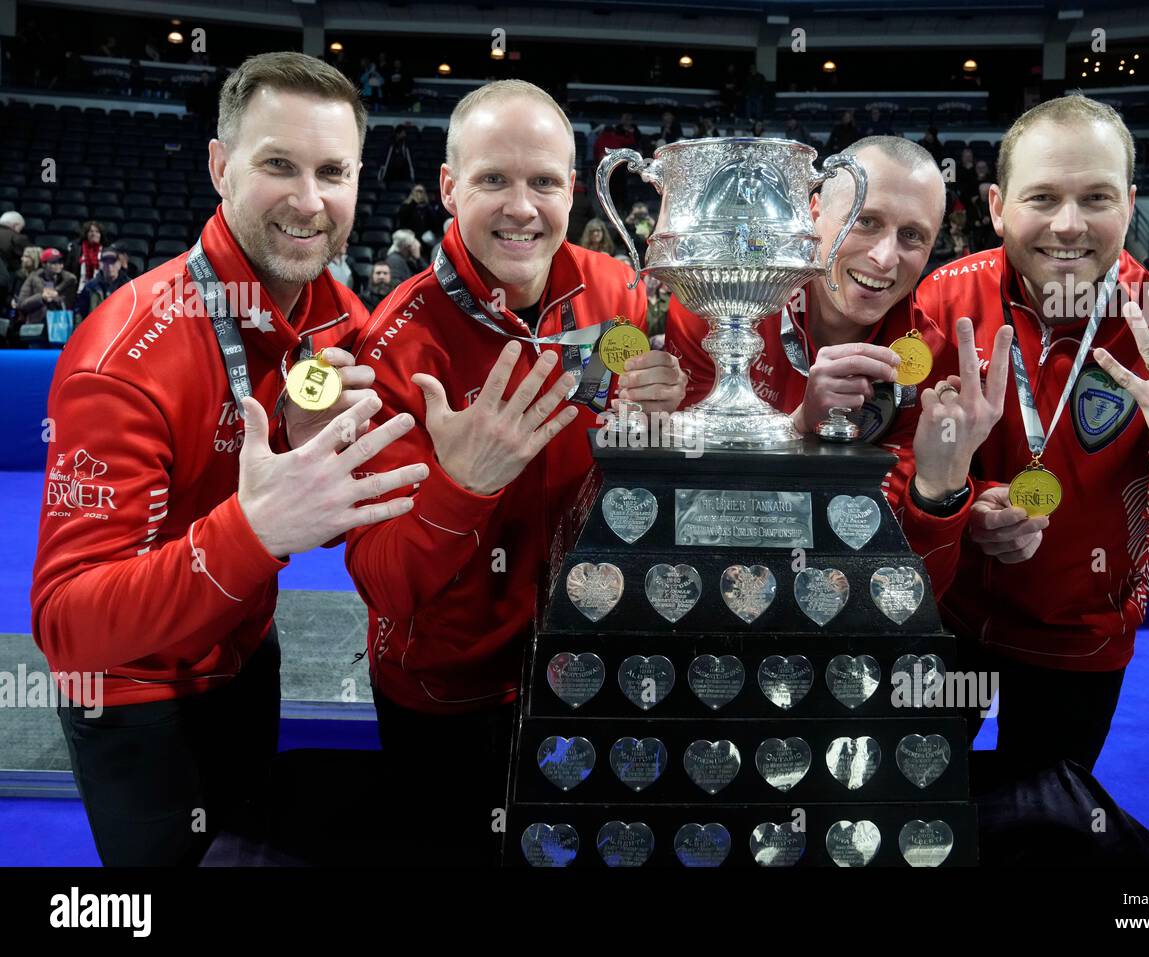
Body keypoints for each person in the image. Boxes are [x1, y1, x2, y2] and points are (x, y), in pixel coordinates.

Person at [29, 51, 428, 867]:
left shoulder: (335, 319)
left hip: (248, 656)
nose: (309, 201)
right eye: (278, 164)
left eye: (333, 171)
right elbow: (68, 627)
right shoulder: (125, 354)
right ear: (220, 166)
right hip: (136, 698)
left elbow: (335, 518)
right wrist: (254, 529)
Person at [342, 79, 688, 866]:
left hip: (590, 670)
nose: (521, 207)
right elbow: (384, 585)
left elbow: (656, 482)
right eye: (494, 179)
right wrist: (461, 486)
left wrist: (669, 421)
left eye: (543, 182)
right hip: (448, 698)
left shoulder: (625, 293)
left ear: (574, 186)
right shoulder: (396, 342)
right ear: (448, 186)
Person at [915, 94, 1149, 774]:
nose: (1069, 225)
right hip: (941, 626)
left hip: (1080, 648)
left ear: (1129, 202)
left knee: (1045, 830)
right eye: (1042, 198)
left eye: (1095, 197)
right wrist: (959, 504)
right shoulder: (940, 302)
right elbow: (890, 463)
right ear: (998, 206)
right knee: (907, 807)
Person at [665, 135, 1013, 597]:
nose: (885, 258)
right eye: (865, 222)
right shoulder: (717, 309)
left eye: (912, 235)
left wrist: (944, 490)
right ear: (812, 214)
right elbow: (688, 511)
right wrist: (798, 429)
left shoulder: (933, 362)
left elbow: (912, 585)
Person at [16, 248, 77, 332]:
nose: (58, 265)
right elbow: (21, 304)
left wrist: (55, 297)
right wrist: (41, 298)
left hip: (59, 326)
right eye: (53, 262)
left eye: (60, 262)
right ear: (44, 264)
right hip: (36, 327)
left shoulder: (69, 280)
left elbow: (70, 304)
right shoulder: (33, 278)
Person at [74, 247, 128, 324]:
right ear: (100, 265)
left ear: (119, 264)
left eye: (113, 262)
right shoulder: (90, 287)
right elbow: (79, 313)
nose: (109, 266)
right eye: (106, 262)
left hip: (121, 328)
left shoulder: (129, 286)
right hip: (97, 328)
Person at [395, 184, 443, 251]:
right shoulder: (405, 206)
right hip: (410, 237)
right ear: (412, 193)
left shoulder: (429, 207)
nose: (419, 194)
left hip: (426, 239)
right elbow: (402, 220)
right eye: (416, 191)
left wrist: (427, 206)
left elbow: (436, 223)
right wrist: (413, 202)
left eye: (421, 191)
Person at [70, 221, 104, 288]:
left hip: (99, 291)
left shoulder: (106, 251)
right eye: (91, 231)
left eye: (97, 232)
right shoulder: (76, 249)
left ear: (101, 235)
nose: (94, 234)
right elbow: (69, 269)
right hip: (79, 289)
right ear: (86, 234)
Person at [0, 210, 29, 274]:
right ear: (15, 225)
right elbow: (32, 255)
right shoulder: (17, 237)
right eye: (20, 229)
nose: (19, 232)